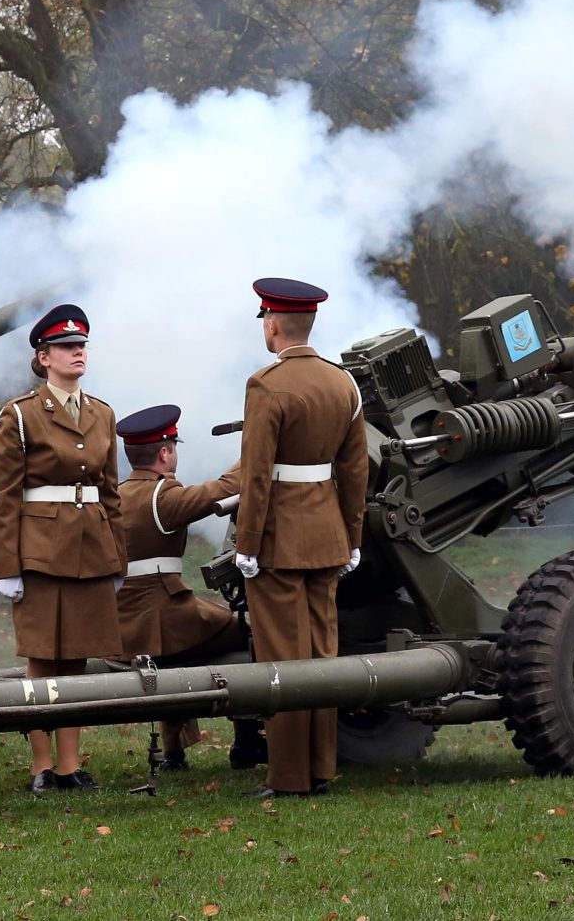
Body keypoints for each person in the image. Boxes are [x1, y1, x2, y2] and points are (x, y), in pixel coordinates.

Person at [230, 278, 367, 800]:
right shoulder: (344, 385)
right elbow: (354, 473)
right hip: (327, 535)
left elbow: (256, 476)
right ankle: (322, 769)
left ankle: (288, 778)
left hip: (279, 541)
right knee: (321, 657)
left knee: (284, 662)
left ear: (272, 324)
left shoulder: (267, 384)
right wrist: (351, 537)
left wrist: (247, 544)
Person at [0, 303, 125, 792]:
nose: (77, 353)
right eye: (66, 347)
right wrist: (8, 566)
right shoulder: (21, 415)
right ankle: (41, 765)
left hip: (91, 547)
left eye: (81, 345)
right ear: (43, 357)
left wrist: (118, 558)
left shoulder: (102, 414)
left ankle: (70, 764)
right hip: (41, 549)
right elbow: (2, 497)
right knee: (44, 658)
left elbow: (111, 493)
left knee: (78, 660)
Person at [112, 404, 253, 770]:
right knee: (251, 633)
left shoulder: (117, 494)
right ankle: (248, 740)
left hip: (125, 621)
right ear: (164, 453)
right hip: (162, 617)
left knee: (172, 658)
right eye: (173, 446)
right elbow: (225, 488)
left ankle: (175, 752)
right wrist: (257, 447)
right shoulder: (163, 497)